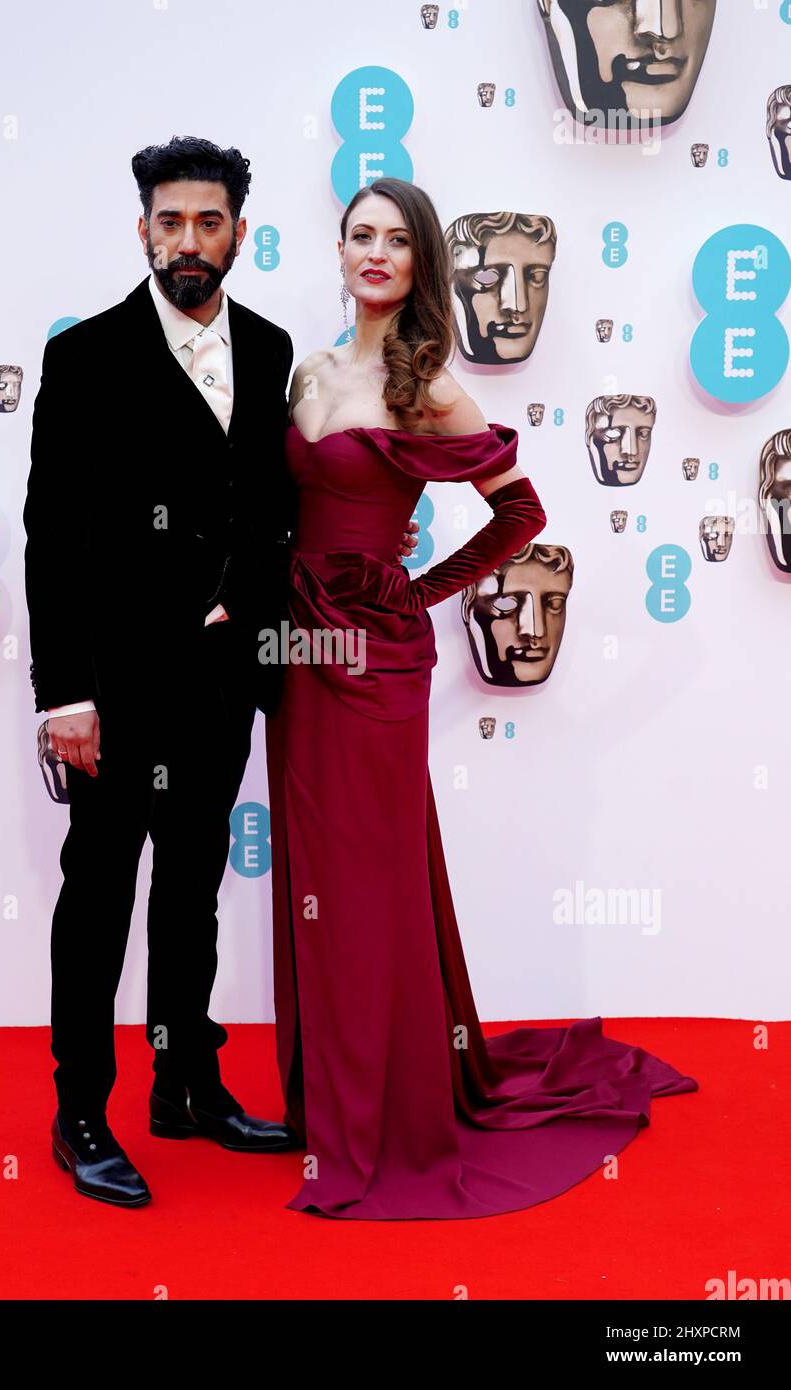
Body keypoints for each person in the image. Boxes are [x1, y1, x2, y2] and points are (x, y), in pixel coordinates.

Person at [265, 176, 698, 1220]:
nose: (375, 253)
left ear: (419, 264)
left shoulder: (430, 385)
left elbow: (522, 512)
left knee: (369, 888)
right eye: (359, 235)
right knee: (314, 881)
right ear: (337, 250)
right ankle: (328, 1103)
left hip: (375, 659)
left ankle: (387, 1120)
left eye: (396, 241)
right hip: (295, 652)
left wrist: (410, 587)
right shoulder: (305, 372)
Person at [23, 137, 418, 1208]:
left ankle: (185, 1084)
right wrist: (63, 692)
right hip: (109, 688)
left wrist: (244, 594)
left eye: (208, 222)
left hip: (218, 684)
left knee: (192, 889)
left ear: (240, 232)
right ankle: (79, 1111)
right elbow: (50, 536)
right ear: (143, 230)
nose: (188, 240)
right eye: (169, 221)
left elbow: (274, 509)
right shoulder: (88, 356)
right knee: (100, 896)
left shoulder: (273, 344)